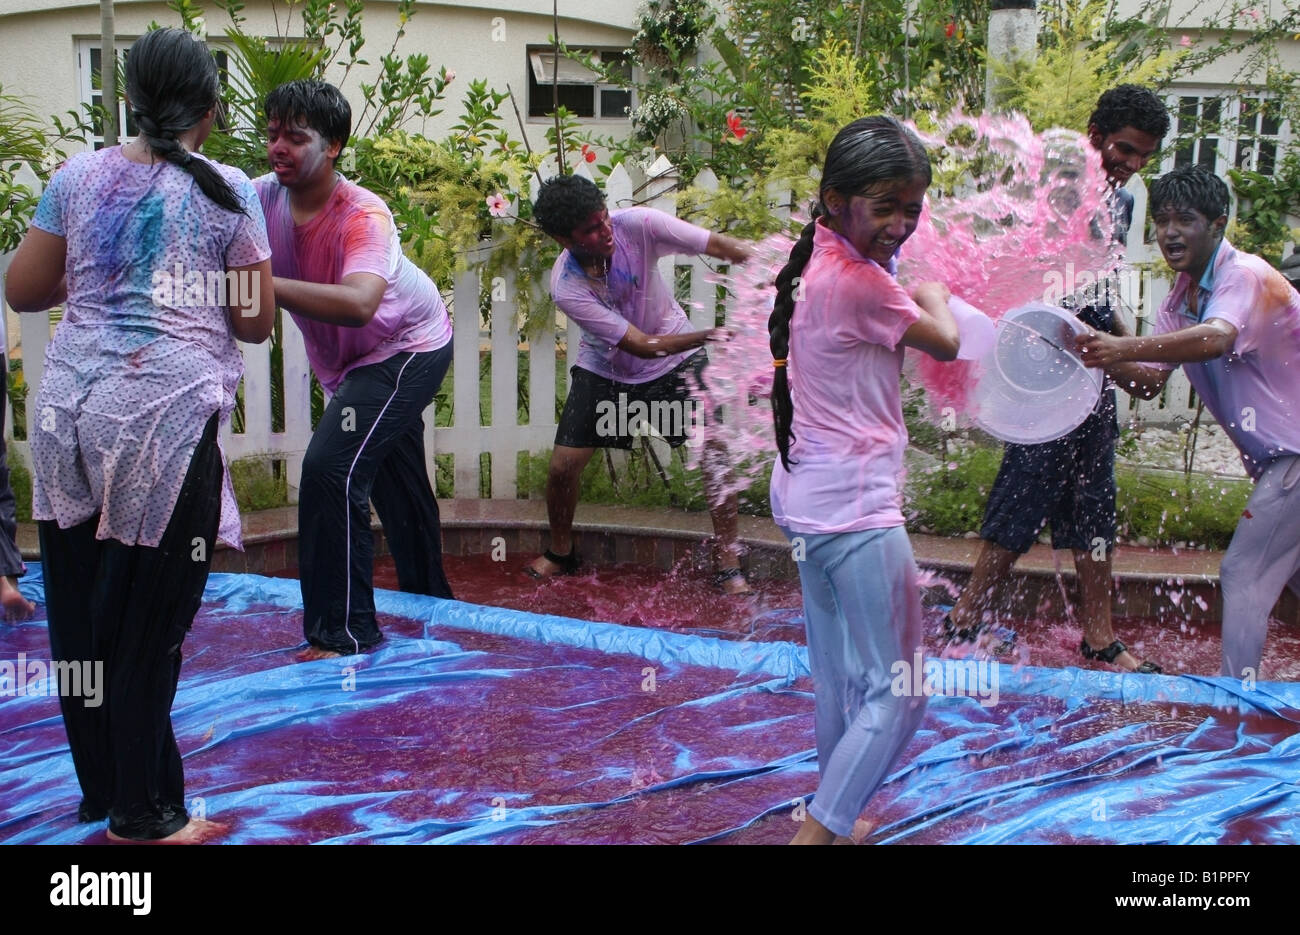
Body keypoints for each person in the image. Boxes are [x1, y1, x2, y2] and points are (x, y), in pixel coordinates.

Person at [4, 27, 275, 842]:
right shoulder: (229, 191)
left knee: (85, 622)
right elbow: (256, 321)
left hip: (66, 415)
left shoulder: (77, 176)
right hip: (158, 418)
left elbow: (22, 288)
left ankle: (107, 795)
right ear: (212, 109)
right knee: (149, 623)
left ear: (127, 98)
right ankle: (145, 818)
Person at [768, 116, 960, 845]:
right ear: (835, 199)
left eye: (913, 208)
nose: (902, 224)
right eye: (886, 207)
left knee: (843, 678)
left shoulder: (815, 259)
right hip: (856, 514)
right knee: (902, 692)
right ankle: (818, 832)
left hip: (804, 502)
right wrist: (936, 294)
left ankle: (834, 817)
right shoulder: (862, 284)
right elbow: (945, 339)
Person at [946, 85, 1170, 674]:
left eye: (1143, 156)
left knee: (1096, 505)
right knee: (1023, 493)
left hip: (1093, 370)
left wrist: (1129, 346)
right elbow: (1011, 277)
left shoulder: (1120, 205)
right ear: (1095, 134)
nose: (1132, 164)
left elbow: (1101, 290)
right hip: (1044, 367)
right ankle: (965, 619)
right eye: (1124, 149)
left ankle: (1098, 636)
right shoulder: (1054, 191)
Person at [255, 80, 455, 659]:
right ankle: (434, 604)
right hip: (350, 364)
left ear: (334, 144)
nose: (279, 148)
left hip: (407, 347)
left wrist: (263, 285)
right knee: (398, 487)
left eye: (296, 137)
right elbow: (204, 185)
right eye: (272, 135)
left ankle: (343, 635)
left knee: (330, 468)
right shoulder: (260, 198)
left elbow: (360, 302)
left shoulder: (362, 213)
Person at [1077, 165, 1300, 682]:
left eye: (1185, 220)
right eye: (1161, 220)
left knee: (1243, 572)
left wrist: (1122, 345)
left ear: (1218, 225)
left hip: (1294, 459)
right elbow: (1151, 380)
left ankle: (1231, 708)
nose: (1169, 232)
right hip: (1282, 462)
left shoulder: (1242, 276)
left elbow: (1216, 338)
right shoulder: (1181, 298)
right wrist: (1091, 350)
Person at [525, 174, 756, 593]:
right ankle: (562, 551)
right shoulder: (567, 286)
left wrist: (773, 265)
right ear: (564, 239)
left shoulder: (640, 224)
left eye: (604, 219)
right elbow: (643, 346)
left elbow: (720, 246)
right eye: (590, 230)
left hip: (678, 360)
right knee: (562, 467)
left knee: (715, 451)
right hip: (607, 368)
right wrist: (712, 335)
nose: (605, 232)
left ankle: (728, 559)